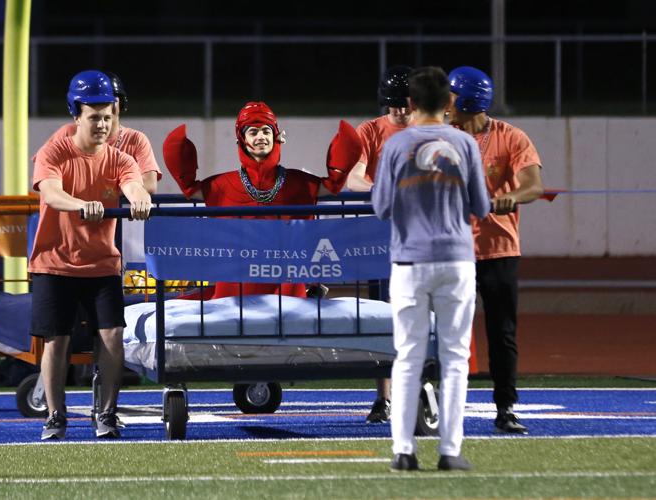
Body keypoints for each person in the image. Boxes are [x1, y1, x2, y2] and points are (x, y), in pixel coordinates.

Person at [372, 66, 490, 471]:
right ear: (449, 103)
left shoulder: (395, 145)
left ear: (409, 104)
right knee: (455, 357)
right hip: (456, 259)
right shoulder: (466, 143)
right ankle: (449, 451)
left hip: (409, 260)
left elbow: (381, 207)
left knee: (407, 356)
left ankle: (403, 451)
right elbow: (483, 207)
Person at [29, 70, 152, 440]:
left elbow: (135, 184)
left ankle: (107, 413)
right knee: (57, 340)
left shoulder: (120, 158)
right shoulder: (54, 150)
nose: (102, 123)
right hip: (55, 263)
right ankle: (55, 415)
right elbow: (50, 193)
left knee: (113, 336)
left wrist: (139, 199)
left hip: (101, 263)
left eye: (107, 116)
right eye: (94, 116)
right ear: (76, 115)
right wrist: (82, 205)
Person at [162, 101, 361, 299]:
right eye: (253, 132)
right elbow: (190, 189)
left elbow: (333, 185)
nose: (261, 137)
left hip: (288, 289)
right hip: (233, 292)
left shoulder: (299, 182)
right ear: (241, 138)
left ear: (276, 136)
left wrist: (347, 146)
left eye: (266, 131)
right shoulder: (221, 185)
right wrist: (176, 148)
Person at [447, 66, 544, 435]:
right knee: (449, 331)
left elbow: (533, 185)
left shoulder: (512, 138)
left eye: (452, 97)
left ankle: (505, 408)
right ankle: (443, 405)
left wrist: (510, 198)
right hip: (453, 251)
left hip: (498, 251)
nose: (446, 103)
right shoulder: (443, 136)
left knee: (502, 332)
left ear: (469, 100)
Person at [347, 64, 413, 424]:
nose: (399, 112)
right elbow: (353, 178)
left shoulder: (428, 129)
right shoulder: (370, 131)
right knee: (383, 317)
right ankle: (383, 397)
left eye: (405, 104)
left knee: (419, 317)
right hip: (382, 239)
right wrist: (384, 190)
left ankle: (419, 390)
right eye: (393, 105)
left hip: (421, 239)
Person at [42, 72, 162, 194]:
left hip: (118, 211)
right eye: (94, 101)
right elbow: (43, 174)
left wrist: (106, 192)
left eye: (111, 98)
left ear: (122, 102)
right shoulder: (68, 132)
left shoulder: (136, 139)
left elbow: (150, 184)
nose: (104, 104)